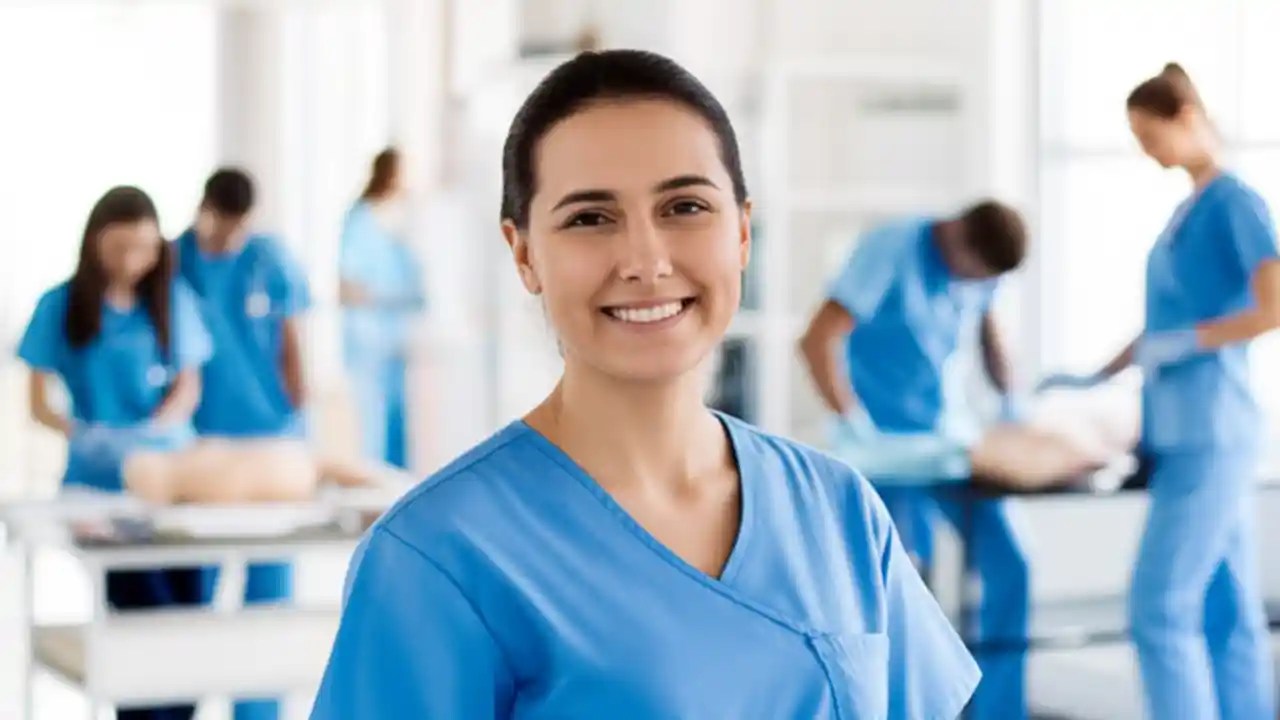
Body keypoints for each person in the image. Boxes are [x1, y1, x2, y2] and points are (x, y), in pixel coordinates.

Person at [310, 49, 979, 719]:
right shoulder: (439, 557)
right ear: (524, 254)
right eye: (590, 218)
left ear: (742, 232)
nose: (646, 261)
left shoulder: (838, 513)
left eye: (685, 206)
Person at [1043, 63, 1280, 719]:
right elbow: (1162, 325)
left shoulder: (1237, 202)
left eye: (1150, 135)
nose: (1146, 151)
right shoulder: (1190, 208)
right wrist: (1099, 373)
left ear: (1186, 118)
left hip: (1213, 431)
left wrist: (1192, 342)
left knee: (1160, 606)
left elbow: (1273, 305)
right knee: (1224, 609)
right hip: (1183, 432)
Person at [797, 202, 1031, 719]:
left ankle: (996, 712)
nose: (974, 285)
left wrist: (1012, 402)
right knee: (905, 586)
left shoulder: (980, 268)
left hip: (948, 444)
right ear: (959, 240)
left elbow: (990, 335)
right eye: (976, 274)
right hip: (887, 451)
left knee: (1011, 563)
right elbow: (817, 339)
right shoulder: (891, 248)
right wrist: (853, 422)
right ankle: (905, 709)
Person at [17, 186, 213, 720]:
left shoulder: (173, 302)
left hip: (170, 485)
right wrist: (82, 431)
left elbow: (188, 388)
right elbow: (37, 401)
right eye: (120, 247)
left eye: (145, 248)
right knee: (139, 626)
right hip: (99, 490)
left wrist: (153, 432)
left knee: (190, 625)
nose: (132, 261)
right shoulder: (60, 305)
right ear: (95, 243)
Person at [173, 168, 312, 720]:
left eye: (239, 228)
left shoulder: (270, 258)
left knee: (268, 596)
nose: (229, 237)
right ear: (203, 209)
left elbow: (293, 336)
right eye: (222, 225)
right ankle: (183, 701)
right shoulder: (175, 260)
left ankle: (258, 714)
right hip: (201, 444)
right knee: (195, 587)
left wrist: (299, 406)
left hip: (270, 438)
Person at [339, 147, 426, 468]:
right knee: (372, 424)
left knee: (396, 422)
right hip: (368, 338)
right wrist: (390, 297)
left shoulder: (398, 222)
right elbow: (348, 288)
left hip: (394, 338)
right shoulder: (360, 220)